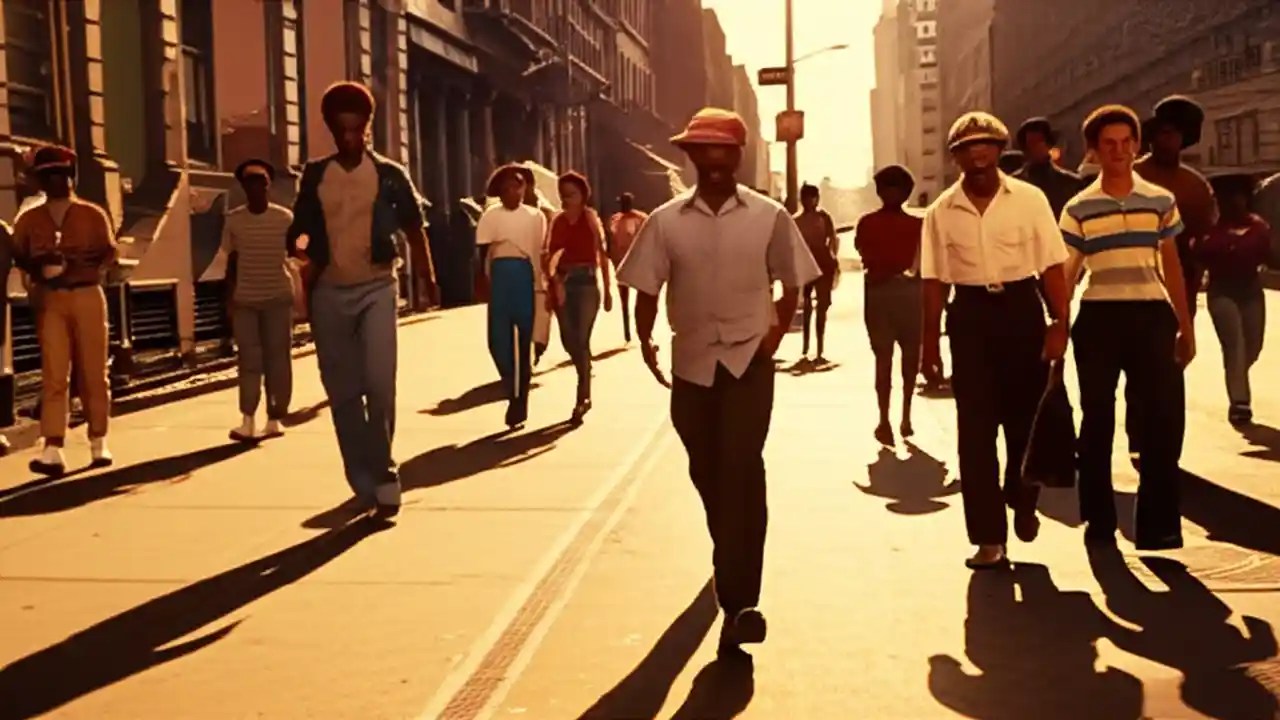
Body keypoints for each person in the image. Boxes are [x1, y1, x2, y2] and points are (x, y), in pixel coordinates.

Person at [619, 107, 821, 657]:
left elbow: (792, 281)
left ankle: (740, 602)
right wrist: (646, 340)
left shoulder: (768, 215)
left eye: (722, 153)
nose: (711, 163)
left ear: (738, 157)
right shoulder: (665, 221)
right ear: (690, 160)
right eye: (701, 153)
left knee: (741, 467)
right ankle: (726, 553)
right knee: (706, 469)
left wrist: (774, 335)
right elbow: (646, 287)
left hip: (748, 364)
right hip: (691, 365)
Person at [920, 112, 1070, 569]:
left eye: (986, 145)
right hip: (969, 319)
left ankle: (1023, 500)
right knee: (976, 433)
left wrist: (1060, 323)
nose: (977, 154)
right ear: (956, 158)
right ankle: (988, 539)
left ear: (1000, 150)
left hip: (1022, 311)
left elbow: (1051, 266)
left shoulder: (1029, 200)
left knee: (1024, 424)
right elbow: (932, 281)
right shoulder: (940, 212)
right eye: (967, 148)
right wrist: (930, 345)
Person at [286, 82, 433, 519]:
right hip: (329, 290)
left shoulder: (389, 174)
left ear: (368, 127)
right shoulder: (315, 175)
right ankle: (362, 477)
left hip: (376, 287)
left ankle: (386, 470)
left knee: (379, 381)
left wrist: (429, 278)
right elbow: (300, 229)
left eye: (357, 129)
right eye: (341, 130)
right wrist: (299, 253)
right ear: (331, 129)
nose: (349, 138)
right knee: (343, 390)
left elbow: (413, 227)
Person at [1060, 105, 1196, 551]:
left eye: (1126, 142)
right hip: (1099, 318)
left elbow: (1172, 265)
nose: (1118, 151)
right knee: (1097, 419)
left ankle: (1159, 527)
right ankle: (1099, 522)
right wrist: (1058, 324)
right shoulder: (1079, 208)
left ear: (1136, 145)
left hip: (1152, 317)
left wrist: (1186, 326)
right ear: (1095, 151)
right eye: (1109, 144)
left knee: (1162, 419)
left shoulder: (1159, 200)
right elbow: (1068, 273)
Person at [12, 145, 118, 476]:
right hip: (50, 298)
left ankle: (98, 439)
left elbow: (109, 253)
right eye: (50, 176)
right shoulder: (29, 219)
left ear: (71, 176)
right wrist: (37, 264)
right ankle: (52, 446)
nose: (58, 181)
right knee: (55, 373)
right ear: (42, 181)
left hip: (87, 293)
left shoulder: (92, 214)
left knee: (93, 371)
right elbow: (20, 255)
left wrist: (83, 266)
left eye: (63, 174)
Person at [1131, 95, 1215, 464]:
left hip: (1180, 284)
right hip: (1135, 281)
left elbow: (1205, 235)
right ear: (1151, 137)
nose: (1169, 142)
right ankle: (1139, 430)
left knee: (1172, 365)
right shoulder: (1131, 177)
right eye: (1163, 134)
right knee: (1138, 366)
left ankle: (1166, 443)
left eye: (1176, 135)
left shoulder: (1196, 186)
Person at [223, 159, 295, 442]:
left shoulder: (284, 219)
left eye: (261, 181)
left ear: (268, 184)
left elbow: (296, 250)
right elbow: (231, 261)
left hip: (278, 297)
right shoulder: (234, 220)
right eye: (250, 182)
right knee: (249, 360)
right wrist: (229, 298)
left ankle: (275, 418)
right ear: (243, 187)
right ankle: (248, 420)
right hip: (246, 300)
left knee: (279, 360)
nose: (256, 187)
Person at [854, 165, 923, 445]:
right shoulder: (918, 225)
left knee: (883, 360)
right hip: (910, 294)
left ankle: (884, 420)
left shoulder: (867, 223)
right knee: (909, 361)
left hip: (879, 294)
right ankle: (905, 416)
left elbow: (863, 252)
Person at [476, 164, 548, 429]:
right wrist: (481, 280)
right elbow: (482, 250)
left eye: (516, 186)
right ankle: (510, 387)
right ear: (499, 191)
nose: (512, 191)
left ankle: (521, 401)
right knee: (498, 341)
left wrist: (543, 285)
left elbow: (541, 251)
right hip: (500, 276)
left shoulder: (535, 216)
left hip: (525, 276)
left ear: (524, 189)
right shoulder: (491, 216)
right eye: (505, 187)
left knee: (525, 342)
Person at [1199, 172, 1271, 425]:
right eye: (1228, 197)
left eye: (1239, 196)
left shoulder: (1259, 226)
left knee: (1254, 346)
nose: (1234, 202)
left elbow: (1269, 254)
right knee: (1235, 344)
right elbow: (1202, 255)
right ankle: (1240, 403)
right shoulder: (1211, 229)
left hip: (1251, 291)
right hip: (1222, 291)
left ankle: (1236, 373)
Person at [546, 171, 613, 423]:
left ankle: (582, 395)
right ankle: (585, 368)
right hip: (562, 282)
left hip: (586, 283)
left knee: (581, 338)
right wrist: (554, 286)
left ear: (583, 196)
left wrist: (608, 290)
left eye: (571, 194)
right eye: (562, 194)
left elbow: (602, 255)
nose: (566, 199)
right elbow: (549, 256)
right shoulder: (558, 221)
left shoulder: (590, 218)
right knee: (567, 339)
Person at [794, 183, 840, 361]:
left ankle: (820, 347)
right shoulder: (796, 220)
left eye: (813, 197)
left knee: (822, 307)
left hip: (823, 265)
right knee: (807, 307)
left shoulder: (824, 217)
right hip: (806, 266)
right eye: (807, 198)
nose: (810, 201)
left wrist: (833, 261)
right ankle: (806, 346)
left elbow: (832, 240)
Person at [1014, 117, 1084, 218]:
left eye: (1040, 141)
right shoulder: (1015, 184)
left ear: (1049, 143)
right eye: (1031, 143)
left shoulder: (1071, 183)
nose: (1036, 147)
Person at [608, 192, 648, 343]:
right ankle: (627, 331)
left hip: (638, 262)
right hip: (621, 264)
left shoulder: (641, 219)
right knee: (624, 300)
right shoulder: (615, 220)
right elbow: (613, 242)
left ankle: (642, 331)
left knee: (642, 299)